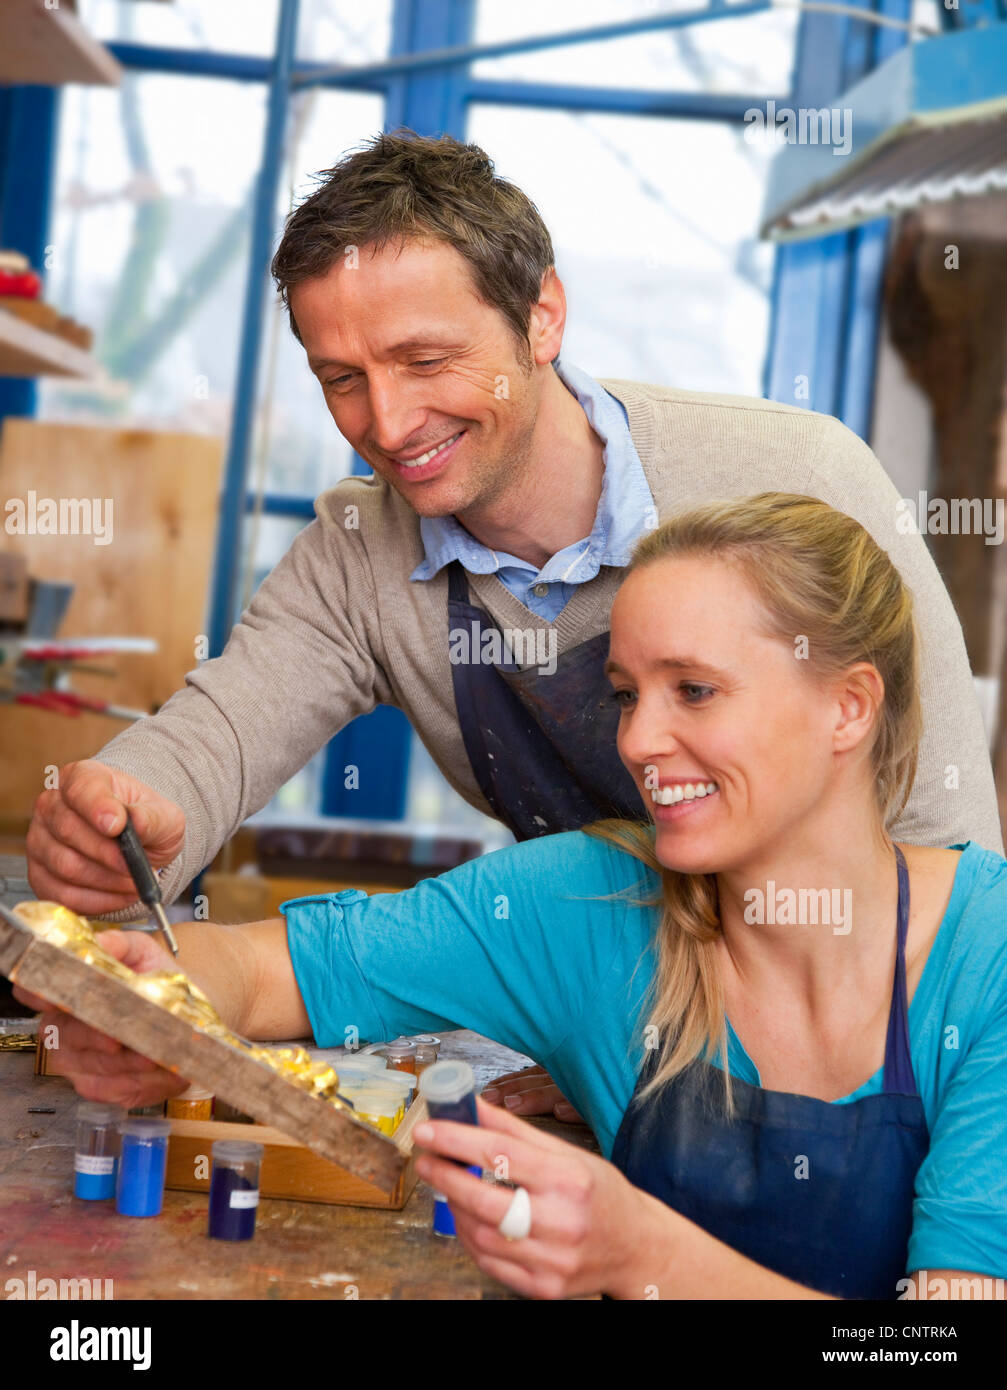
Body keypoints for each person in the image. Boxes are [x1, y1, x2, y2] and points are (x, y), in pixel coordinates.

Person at [24, 130, 1001, 1121]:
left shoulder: (799, 478)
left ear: (541, 317)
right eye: (341, 378)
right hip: (617, 1050)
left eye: (423, 359)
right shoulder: (363, 552)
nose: (389, 422)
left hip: (861, 1068)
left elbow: (948, 854)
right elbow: (218, 735)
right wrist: (117, 812)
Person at [18, 495, 1007, 1300]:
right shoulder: (590, 903)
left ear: (846, 706)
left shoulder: (988, 953)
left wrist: (647, 1259)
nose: (634, 742)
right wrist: (148, 994)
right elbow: (265, 969)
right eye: (627, 693)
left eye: (692, 691)